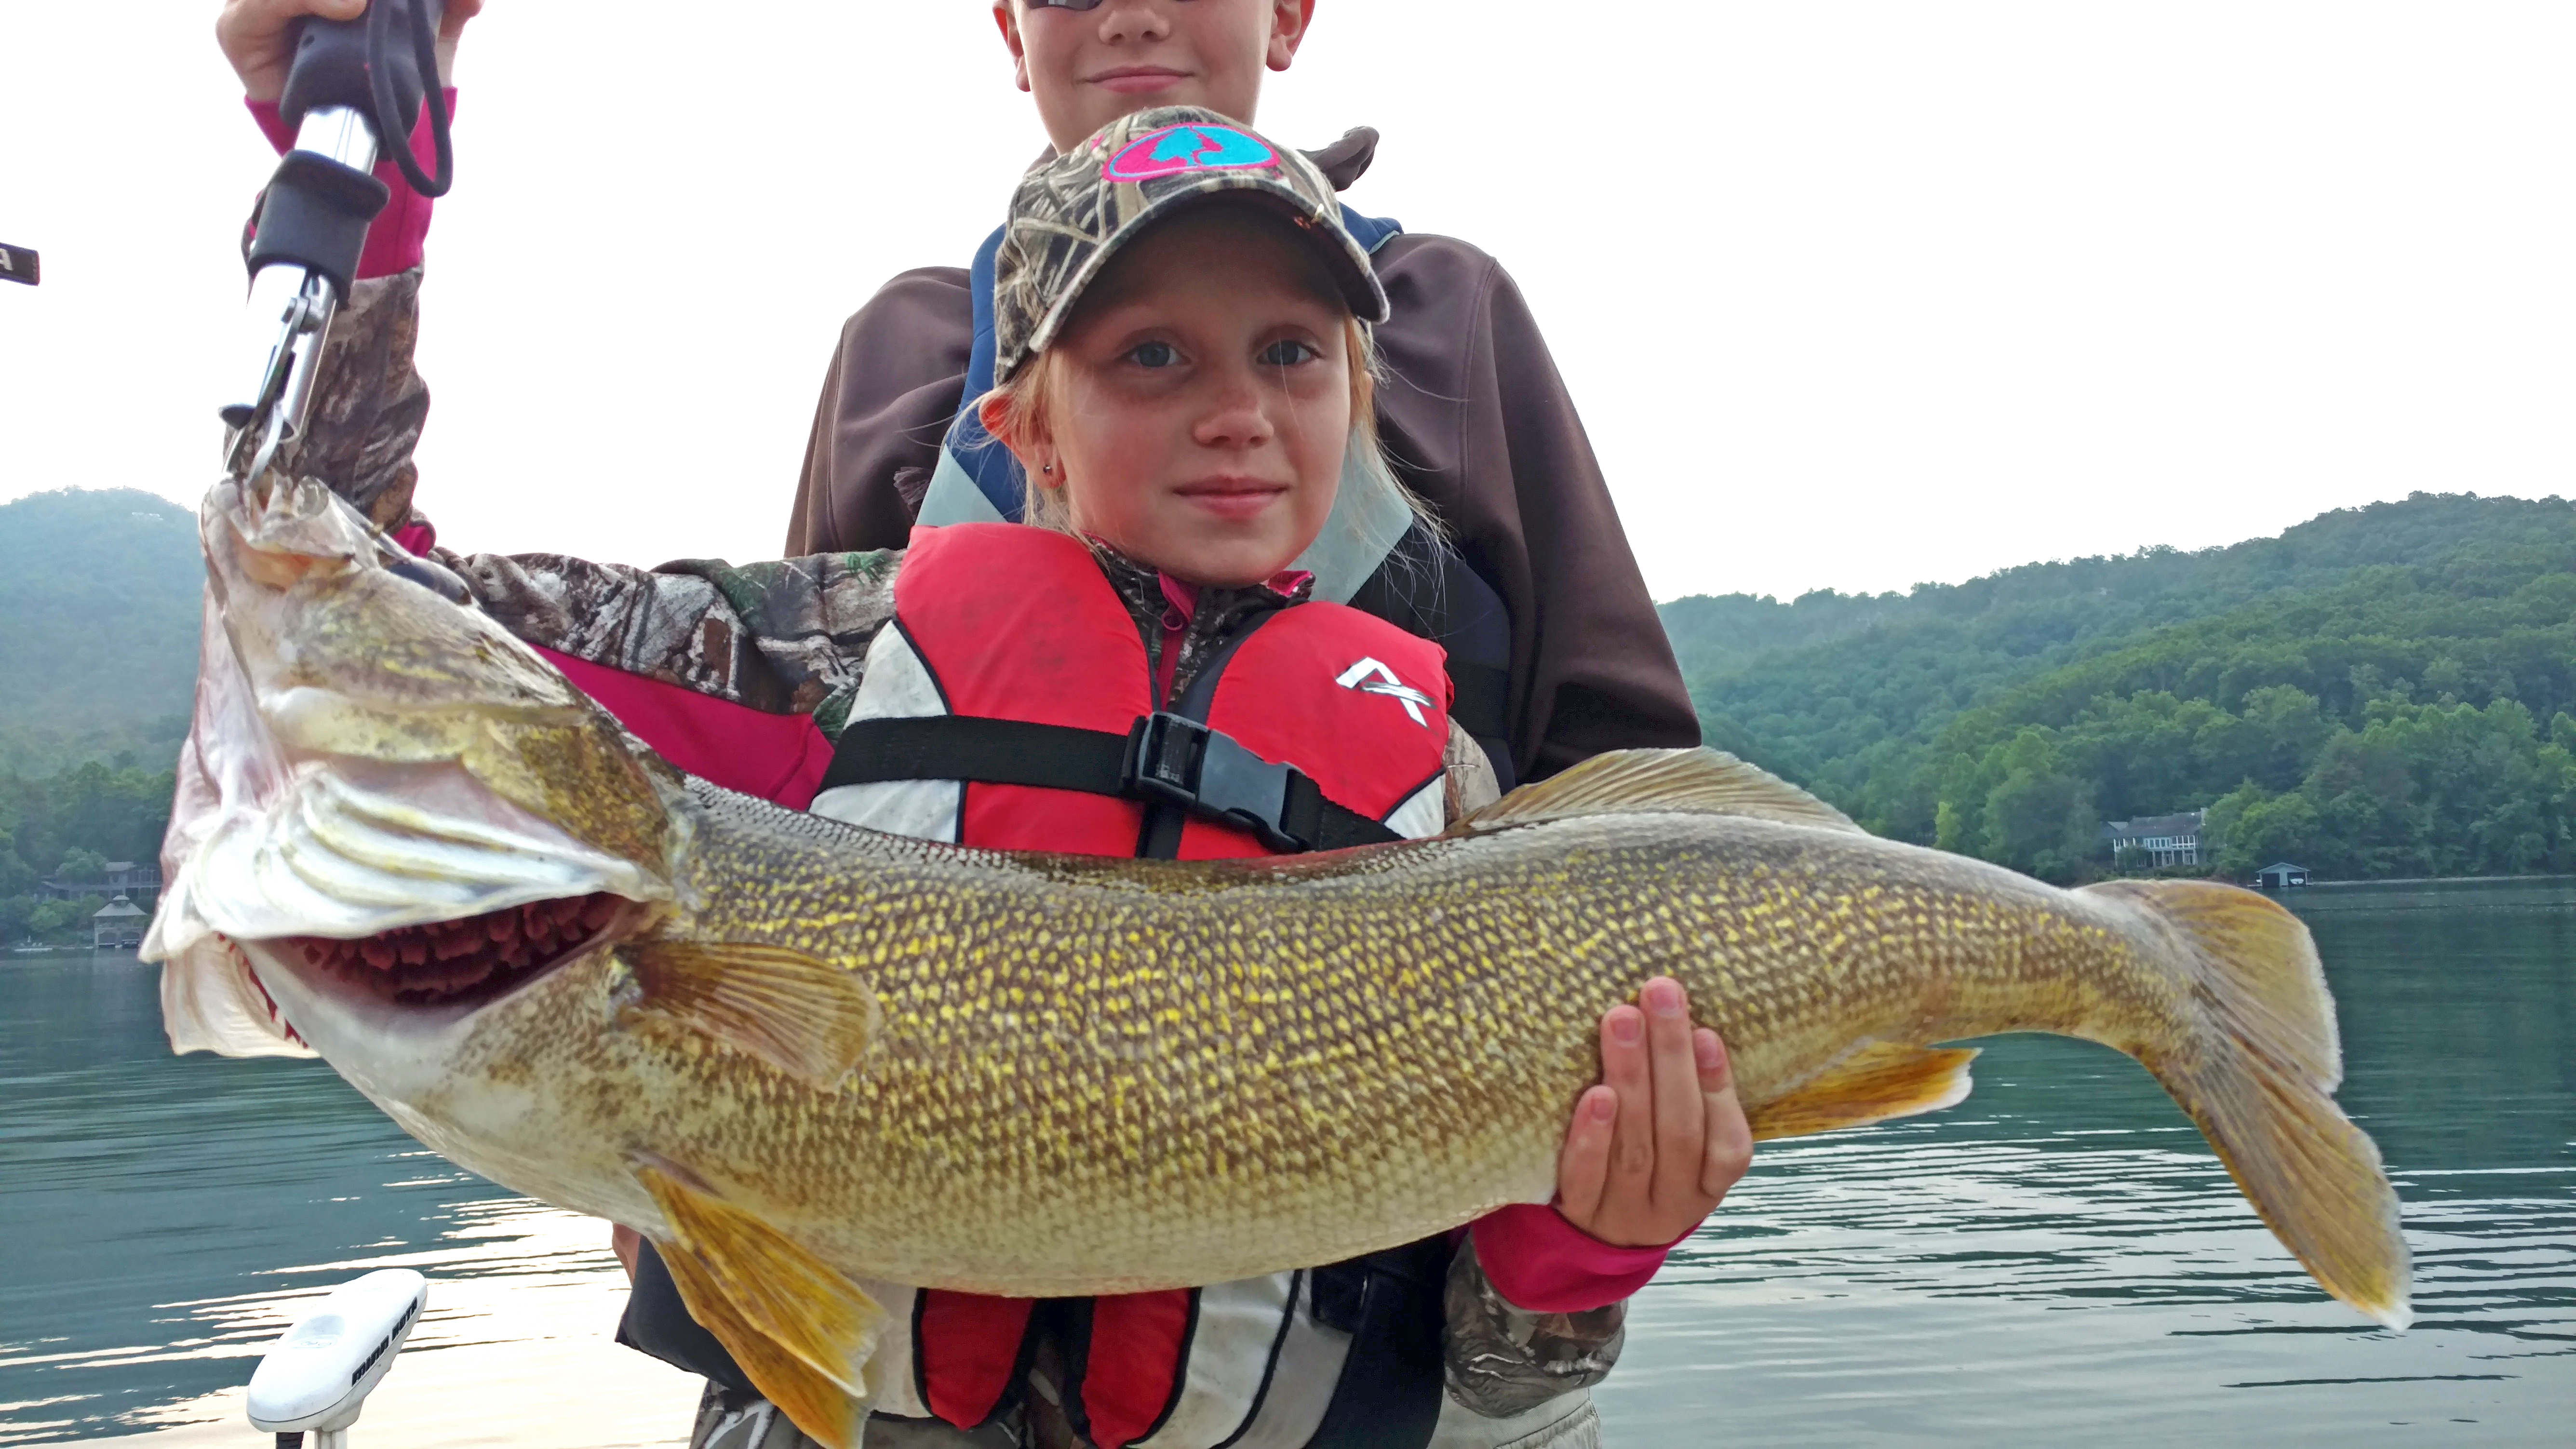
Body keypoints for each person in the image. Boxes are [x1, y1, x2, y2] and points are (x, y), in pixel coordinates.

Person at [212, 8, 1748, 1449]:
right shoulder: (816, 655)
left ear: (1357, 396)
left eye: (1290, 355)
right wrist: (357, 174)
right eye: (1151, 355)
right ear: (1017, 427)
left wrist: (1575, 1249)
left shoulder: (1451, 791)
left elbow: (1495, 1325)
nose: (1235, 412)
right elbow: (350, 576)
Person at [787, 1, 1703, 794]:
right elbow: (784, 740)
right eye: (1150, 355)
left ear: (1290, 15)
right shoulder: (899, 349)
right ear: (1012, 37)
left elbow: (1621, 758)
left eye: (1291, 354)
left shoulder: (1450, 309)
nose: (1133, 15)